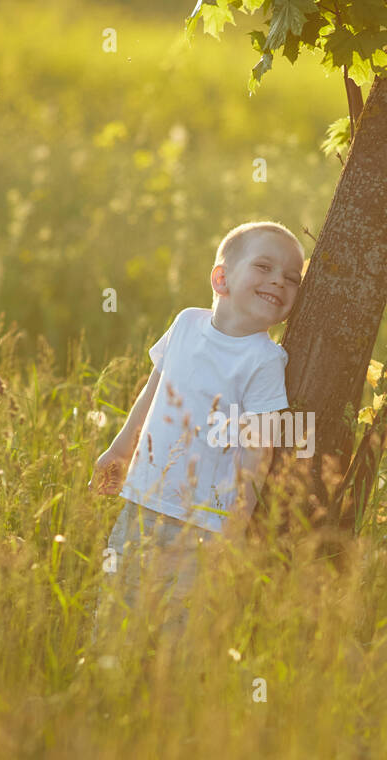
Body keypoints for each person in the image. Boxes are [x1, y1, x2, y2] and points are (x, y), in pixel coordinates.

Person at [87, 221, 305, 649]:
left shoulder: (264, 359)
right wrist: (119, 449)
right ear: (221, 278)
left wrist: (237, 523)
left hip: (202, 527)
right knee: (115, 613)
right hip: (140, 504)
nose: (279, 280)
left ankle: (166, 705)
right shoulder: (186, 324)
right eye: (264, 266)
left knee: (178, 634)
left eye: (292, 279)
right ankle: (103, 690)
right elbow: (153, 391)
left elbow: (255, 450)